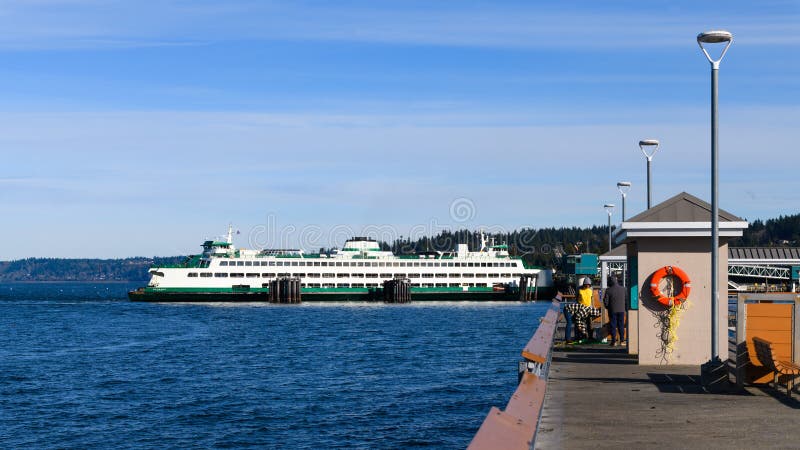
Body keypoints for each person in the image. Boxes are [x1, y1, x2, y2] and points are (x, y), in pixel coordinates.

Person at [603, 276, 627, 346]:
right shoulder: (624, 289)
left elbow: (606, 302)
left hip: (612, 310)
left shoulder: (608, 290)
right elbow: (626, 300)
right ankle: (622, 341)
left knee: (613, 325)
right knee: (621, 325)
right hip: (621, 310)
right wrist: (625, 308)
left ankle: (614, 341)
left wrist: (608, 307)